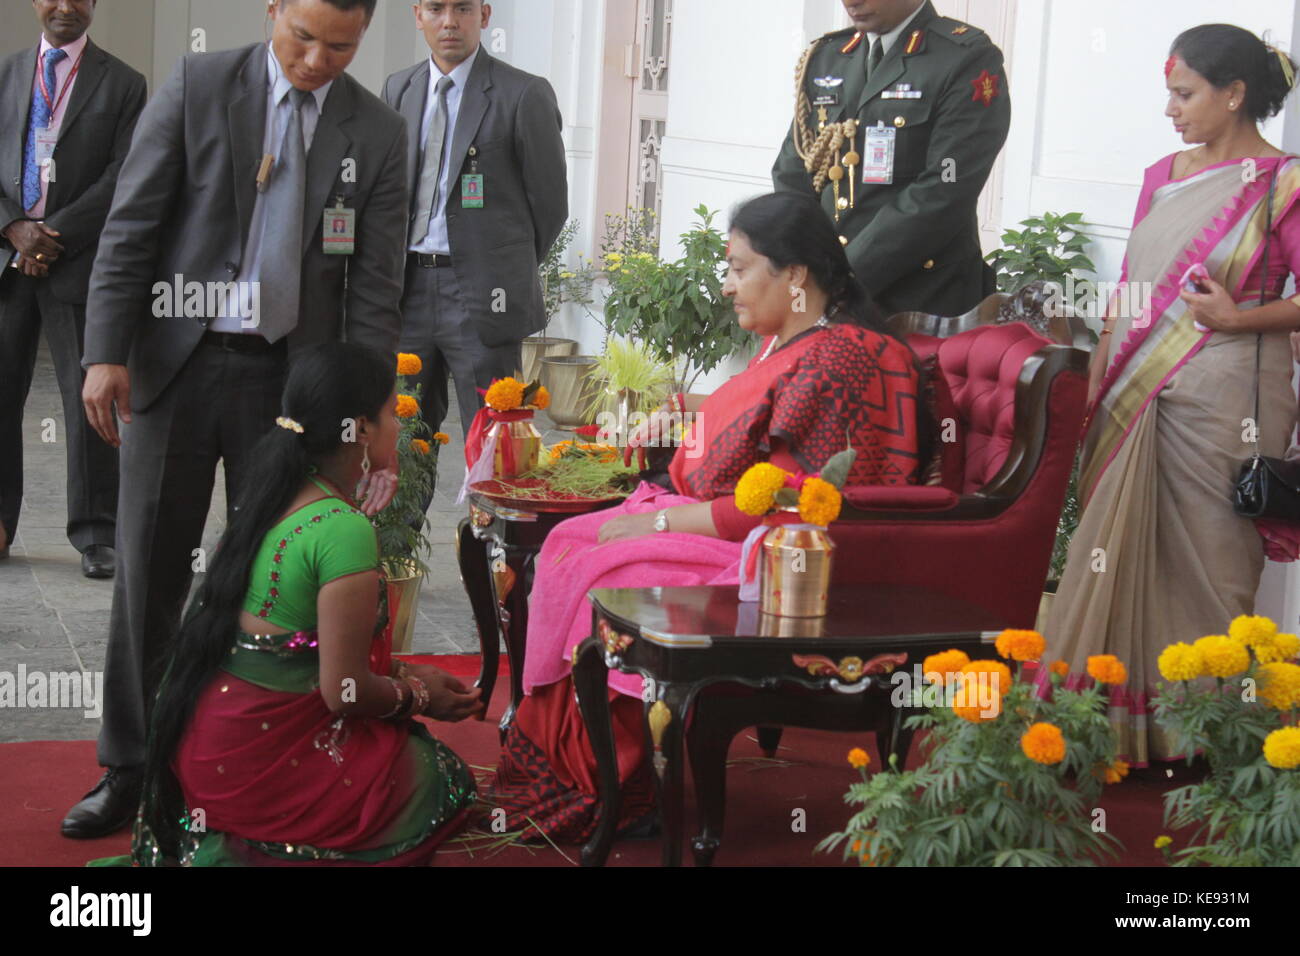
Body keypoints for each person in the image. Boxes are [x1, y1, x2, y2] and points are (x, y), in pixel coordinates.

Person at [65, 0, 410, 839]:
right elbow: (133, 223)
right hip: (178, 367)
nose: (316, 59)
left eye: (340, 44)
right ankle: (130, 766)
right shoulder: (198, 84)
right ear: (272, 11)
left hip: (293, 383)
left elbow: (372, 290)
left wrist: (372, 417)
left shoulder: (379, 132)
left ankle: (235, 763)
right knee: (149, 571)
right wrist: (104, 351)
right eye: (302, 36)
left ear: (364, 32)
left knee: (266, 580)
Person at [487, 192, 924, 841]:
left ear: (795, 275)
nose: (727, 286)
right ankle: (575, 761)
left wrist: (658, 524)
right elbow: (756, 422)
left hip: (771, 557)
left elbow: (785, 503)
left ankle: (615, 779)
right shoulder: (793, 340)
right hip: (719, 521)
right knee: (569, 541)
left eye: (739, 269)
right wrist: (687, 409)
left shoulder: (836, 358)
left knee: (600, 558)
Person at [117, 342, 482, 866]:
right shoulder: (344, 530)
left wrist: (405, 671)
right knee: (438, 777)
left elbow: (308, 650)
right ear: (360, 428)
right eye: (389, 413)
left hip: (203, 761)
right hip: (257, 775)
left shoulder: (274, 493)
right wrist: (421, 697)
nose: (399, 427)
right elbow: (345, 693)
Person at [1043, 25, 1300, 766]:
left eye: (1184, 94)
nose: (1171, 110)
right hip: (1135, 389)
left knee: (1215, 561)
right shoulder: (1164, 174)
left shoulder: (1284, 183)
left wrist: (1238, 317)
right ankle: (1116, 730)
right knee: (1121, 550)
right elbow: (1130, 288)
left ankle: (1212, 740)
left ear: (1235, 94)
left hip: (1232, 394)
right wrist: (1096, 383)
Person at [382, 0, 567, 466]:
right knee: (403, 443)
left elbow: (550, 207)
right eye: (437, 9)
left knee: (494, 448)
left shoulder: (523, 94)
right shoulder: (399, 89)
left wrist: (498, 266)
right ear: (417, 14)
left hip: (484, 298)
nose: (450, 22)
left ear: (484, 15)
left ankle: (491, 540)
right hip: (409, 292)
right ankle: (397, 541)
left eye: (462, 9)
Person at [0, 0, 146, 575]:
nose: (65, 5)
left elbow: (125, 172)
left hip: (79, 261)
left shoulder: (124, 83)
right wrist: (15, 230)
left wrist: (50, 236)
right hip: (7, 261)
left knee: (87, 399)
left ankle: (96, 534)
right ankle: (2, 524)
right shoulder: (7, 74)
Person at [773, 0, 1010, 318]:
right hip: (824, 290)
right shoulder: (828, 56)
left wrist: (844, 280)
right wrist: (806, 269)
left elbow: (946, 186)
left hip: (920, 303)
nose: (851, 2)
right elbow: (794, 173)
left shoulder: (964, 57)